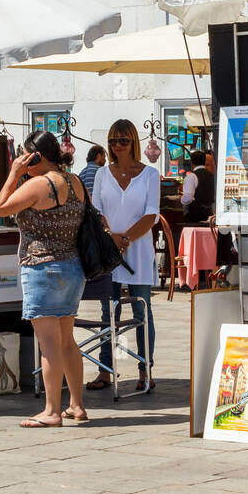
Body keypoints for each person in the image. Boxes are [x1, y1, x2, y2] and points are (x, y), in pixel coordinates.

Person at [0, 130, 89, 427]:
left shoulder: (38, 185)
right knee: (68, 341)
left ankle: (51, 411)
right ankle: (76, 405)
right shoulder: (74, 182)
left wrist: (13, 173)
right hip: (73, 267)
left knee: (48, 343)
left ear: (34, 156)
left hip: (42, 267)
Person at [92, 119, 160, 392]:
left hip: (139, 251)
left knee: (142, 310)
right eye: (112, 141)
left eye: (122, 140)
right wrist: (111, 236)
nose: (117, 146)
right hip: (110, 252)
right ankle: (105, 370)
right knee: (108, 312)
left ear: (134, 142)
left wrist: (127, 237)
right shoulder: (101, 174)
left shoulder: (149, 175)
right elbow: (96, 212)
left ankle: (145, 368)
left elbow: (151, 213)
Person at [181, 149, 215, 223]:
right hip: (209, 216)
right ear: (204, 161)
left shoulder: (191, 176)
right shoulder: (212, 177)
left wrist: (181, 200)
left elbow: (188, 198)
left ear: (192, 163)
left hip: (194, 217)